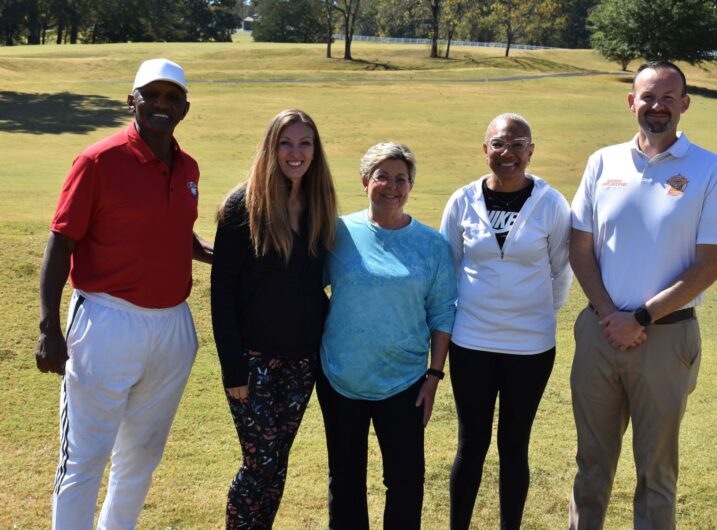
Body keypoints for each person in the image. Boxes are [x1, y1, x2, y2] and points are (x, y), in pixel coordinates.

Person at [35, 58, 213, 530]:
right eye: (150, 95)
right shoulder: (98, 160)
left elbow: (177, 234)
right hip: (106, 321)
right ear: (130, 99)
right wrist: (49, 327)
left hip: (172, 325)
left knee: (141, 457)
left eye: (172, 98)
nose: (161, 104)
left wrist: (227, 256)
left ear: (185, 109)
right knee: (84, 458)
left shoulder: (188, 166)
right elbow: (62, 241)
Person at [568, 60, 717, 529]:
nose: (657, 106)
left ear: (684, 105)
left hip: (667, 337)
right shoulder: (602, 162)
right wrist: (610, 315)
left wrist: (640, 318)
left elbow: (710, 265)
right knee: (591, 465)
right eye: (648, 96)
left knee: (657, 471)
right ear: (632, 102)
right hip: (600, 333)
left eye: (668, 97)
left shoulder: (710, 170)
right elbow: (579, 245)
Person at [439, 113, 572, 529]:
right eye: (498, 144)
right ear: (485, 150)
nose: (507, 153)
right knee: (471, 445)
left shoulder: (551, 203)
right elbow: (448, 270)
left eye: (517, 145)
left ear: (531, 151)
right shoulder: (462, 200)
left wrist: (532, 316)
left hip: (530, 347)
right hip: (471, 342)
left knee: (514, 446)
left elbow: (561, 273)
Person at [317, 142, 456, 530]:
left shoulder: (432, 245)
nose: (392, 186)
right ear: (365, 181)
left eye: (401, 179)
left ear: (410, 186)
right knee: (345, 480)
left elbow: (443, 312)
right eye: (382, 177)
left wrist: (434, 375)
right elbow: (306, 284)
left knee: (406, 481)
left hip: (405, 382)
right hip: (340, 377)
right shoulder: (338, 233)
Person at [210, 109, 338, 529]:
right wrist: (234, 369)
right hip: (253, 361)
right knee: (260, 460)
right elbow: (222, 292)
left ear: (315, 151)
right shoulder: (242, 205)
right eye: (286, 143)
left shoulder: (319, 204)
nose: (295, 152)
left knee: (277, 461)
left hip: (302, 361)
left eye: (304, 143)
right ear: (271, 147)